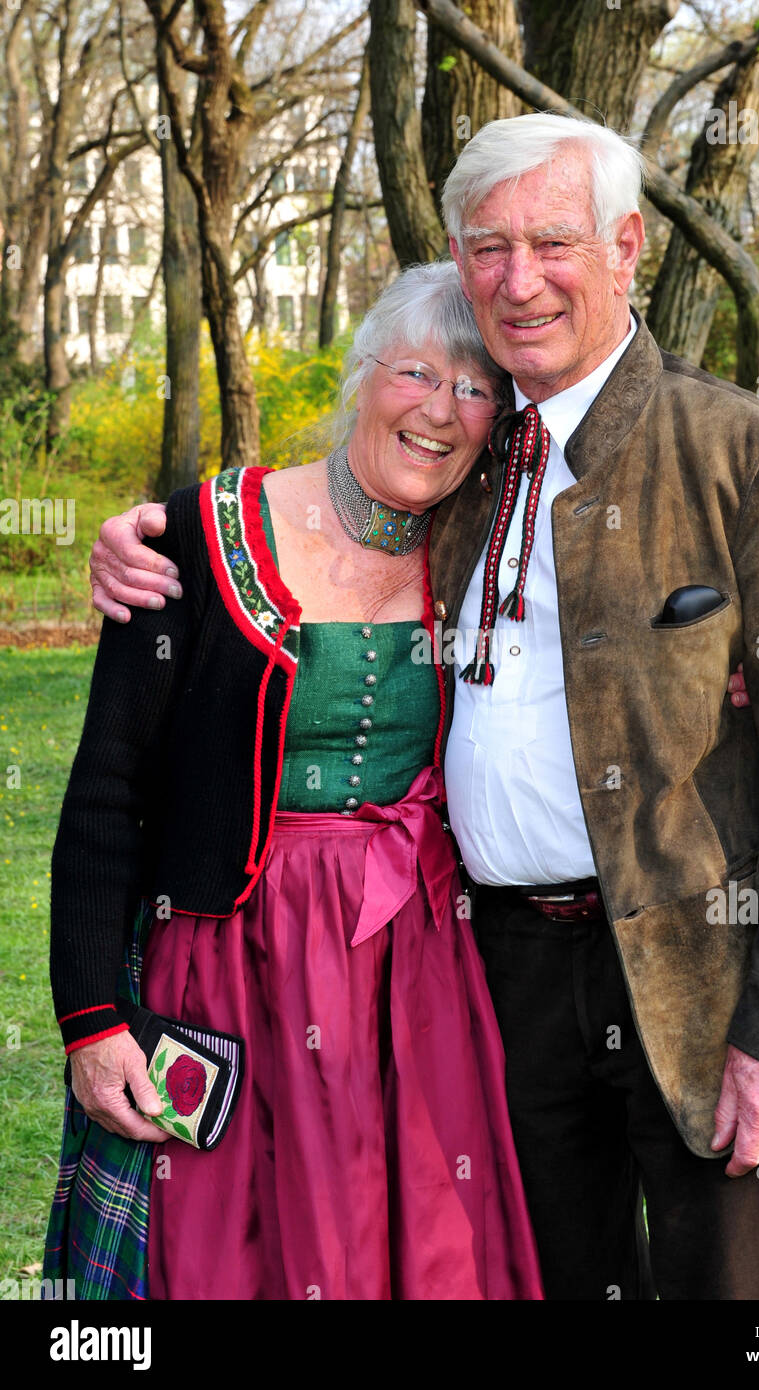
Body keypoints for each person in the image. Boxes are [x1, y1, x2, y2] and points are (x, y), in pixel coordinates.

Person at [87, 113, 759, 1302]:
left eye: (553, 244)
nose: (519, 283)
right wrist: (150, 536)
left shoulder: (738, 451)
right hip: (495, 975)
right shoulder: (464, 451)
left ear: (627, 247)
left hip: (700, 968)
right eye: (488, 248)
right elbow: (319, 528)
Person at [44, 261, 545, 1301]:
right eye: (416, 373)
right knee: (221, 1249)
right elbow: (106, 791)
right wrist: (92, 1019)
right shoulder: (197, 533)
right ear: (363, 374)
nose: (439, 411)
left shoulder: (490, 553)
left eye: (473, 389)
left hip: (415, 966)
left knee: (420, 1241)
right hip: (227, 963)